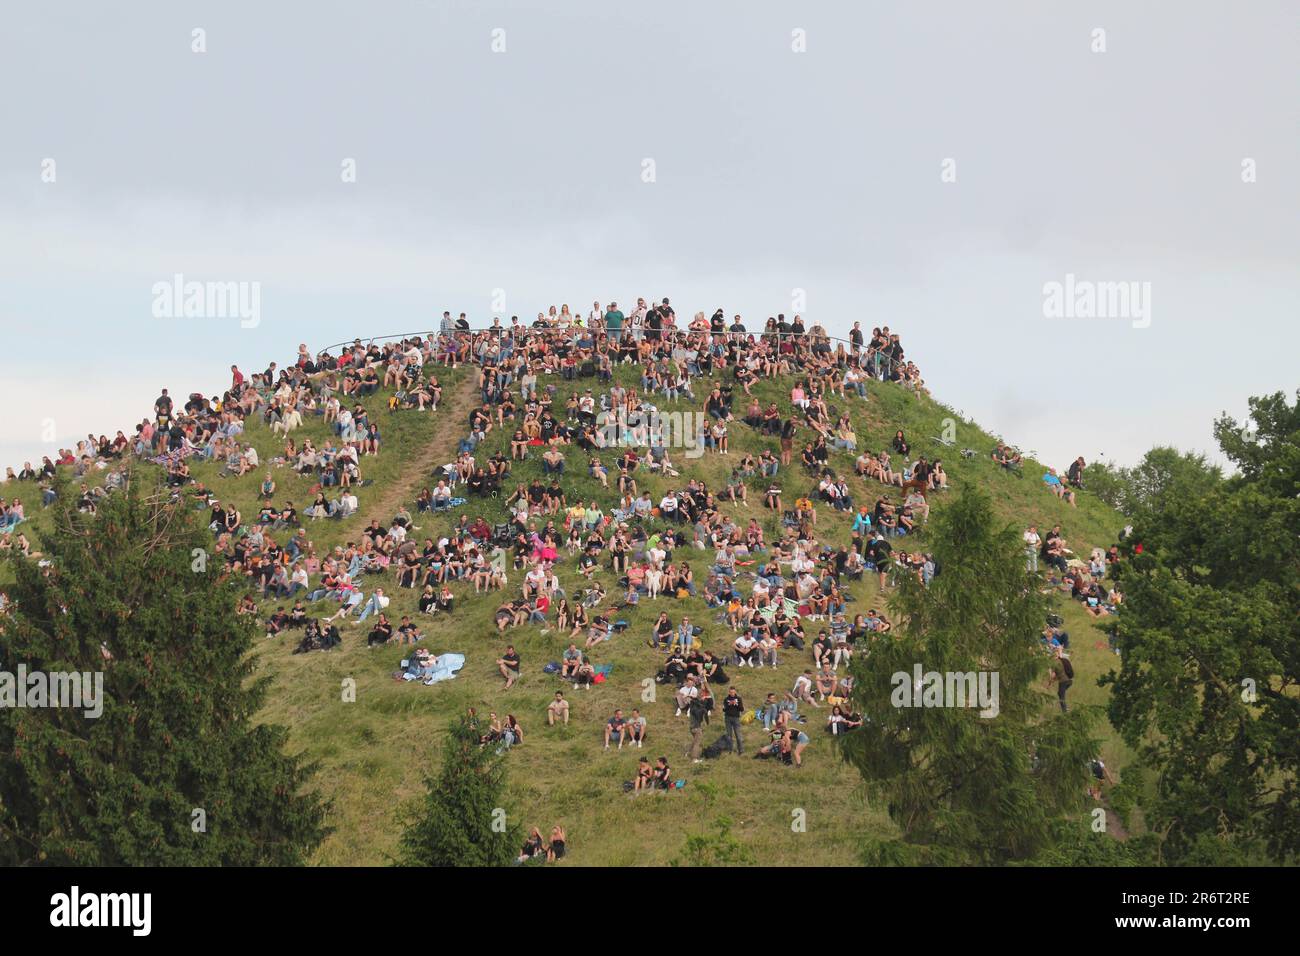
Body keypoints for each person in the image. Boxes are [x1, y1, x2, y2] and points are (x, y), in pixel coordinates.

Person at [1047, 646, 1074, 712]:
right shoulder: (1062, 660)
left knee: (1061, 696)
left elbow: (1053, 676)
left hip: (1063, 682)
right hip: (1069, 681)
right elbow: (1059, 674)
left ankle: (1065, 711)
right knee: (1060, 693)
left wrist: (1049, 684)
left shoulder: (1055, 663)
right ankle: (1065, 708)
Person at [722, 686, 745, 755]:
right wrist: (729, 704)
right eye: (730, 692)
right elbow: (724, 709)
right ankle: (730, 750)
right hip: (728, 718)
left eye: (733, 692)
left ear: (735, 692)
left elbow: (742, 709)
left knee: (738, 735)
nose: (732, 693)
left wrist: (736, 704)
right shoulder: (726, 699)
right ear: (729, 692)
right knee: (729, 735)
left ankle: (741, 750)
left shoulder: (739, 699)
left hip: (736, 718)